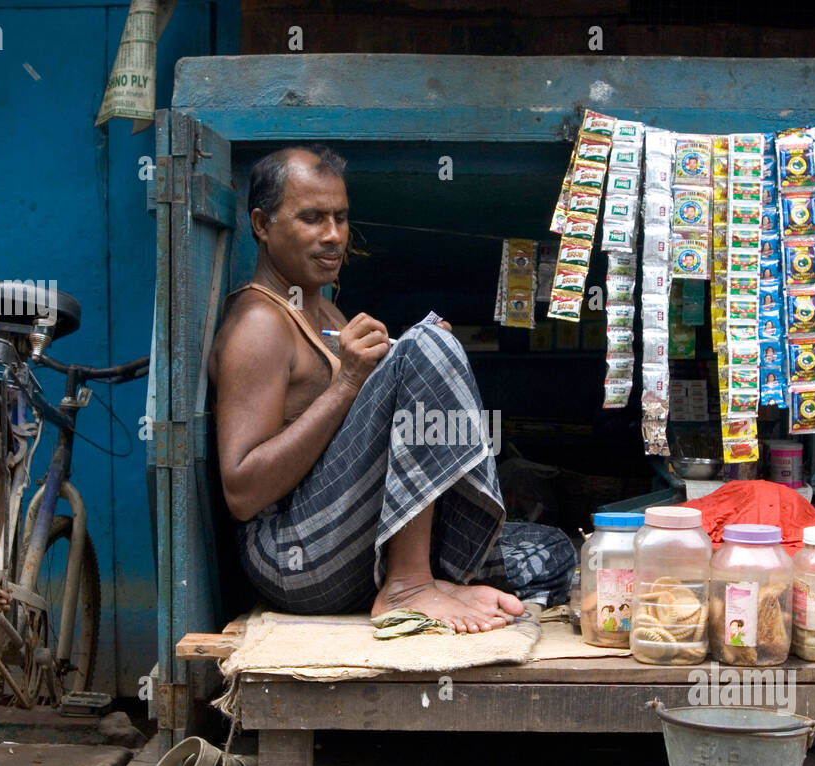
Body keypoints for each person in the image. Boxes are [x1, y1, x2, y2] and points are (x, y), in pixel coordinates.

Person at [208, 145, 575, 633]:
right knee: (425, 346)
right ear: (261, 224)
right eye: (312, 218)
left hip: (353, 548)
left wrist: (390, 373)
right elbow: (242, 492)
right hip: (291, 556)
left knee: (551, 551)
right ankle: (408, 584)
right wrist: (351, 382)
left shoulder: (327, 313)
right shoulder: (260, 322)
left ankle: (420, 576)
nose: (333, 236)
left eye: (340, 218)